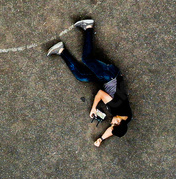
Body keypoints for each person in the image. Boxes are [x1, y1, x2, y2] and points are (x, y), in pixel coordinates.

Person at [47, 19, 132, 147]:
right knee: (87, 59)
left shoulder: (126, 118)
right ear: (119, 121)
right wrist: (94, 107)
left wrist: (101, 139)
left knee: (81, 76)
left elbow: (112, 131)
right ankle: (88, 27)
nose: (111, 123)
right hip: (110, 75)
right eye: (114, 123)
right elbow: (100, 94)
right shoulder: (117, 107)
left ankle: (61, 50)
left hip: (106, 80)